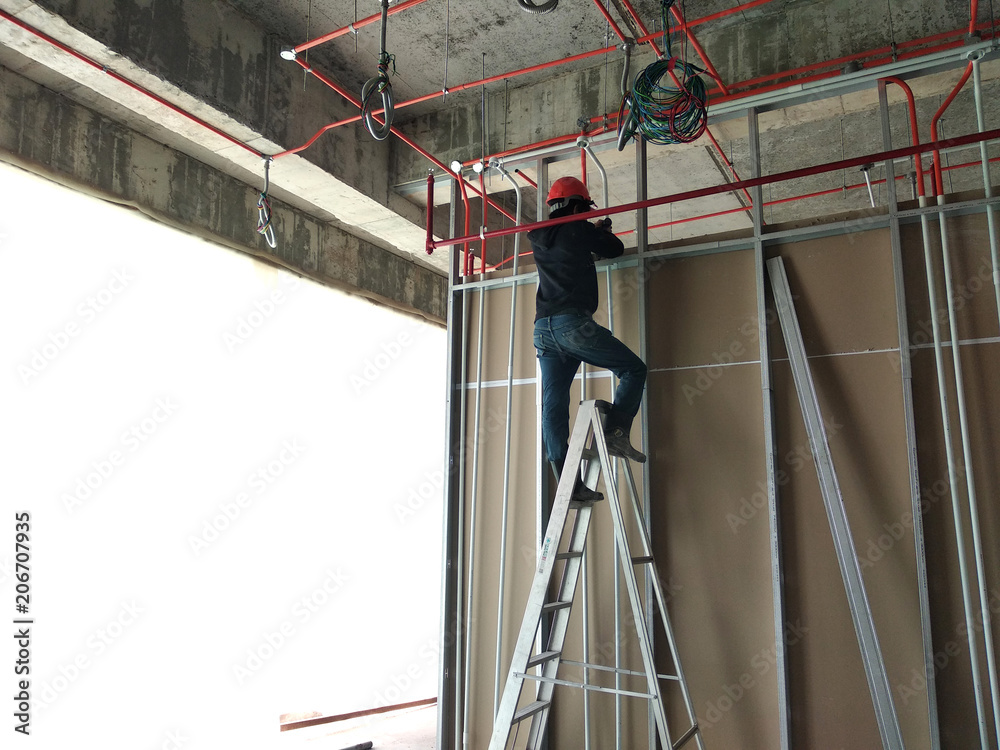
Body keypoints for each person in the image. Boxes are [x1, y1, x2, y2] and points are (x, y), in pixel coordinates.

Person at [529, 176, 648, 502]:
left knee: (552, 407)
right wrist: (600, 232)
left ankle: (567, 484)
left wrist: (590, 232)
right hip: (571, 326)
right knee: (633, 370)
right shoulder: (579, 230)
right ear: (578, 205)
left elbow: (568, 249)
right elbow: (614, 249)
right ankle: (615, 433)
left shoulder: (537, 235)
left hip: (543, 330)